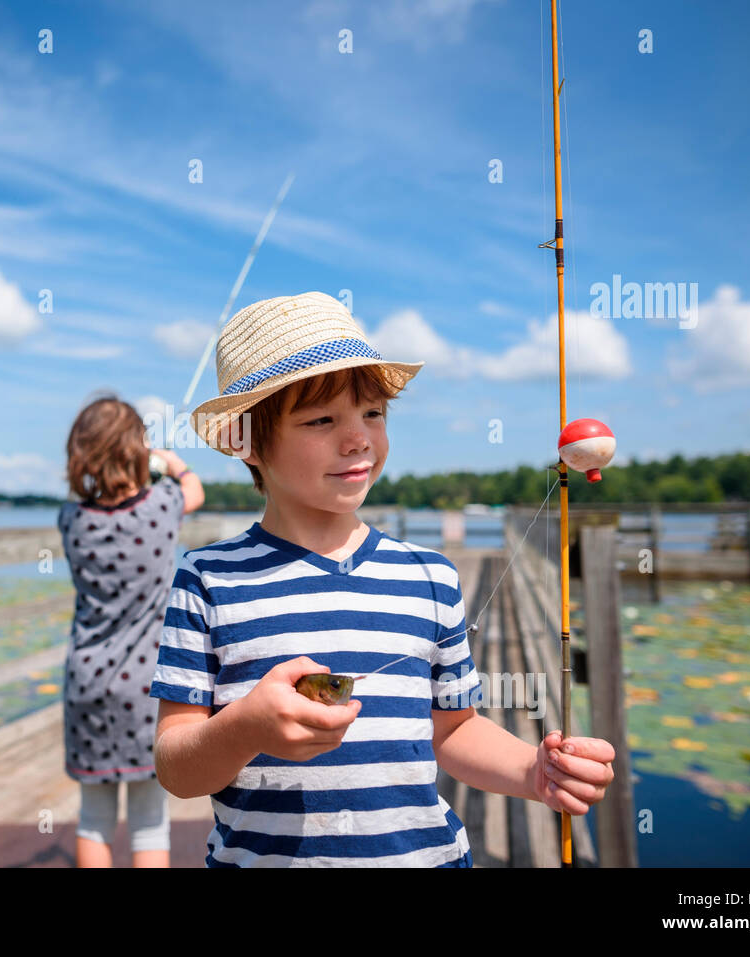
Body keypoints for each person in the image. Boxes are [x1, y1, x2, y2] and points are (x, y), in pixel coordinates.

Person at [149, 291, 616, 867]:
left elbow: (453, 732)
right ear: (249, 443)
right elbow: (175, 768)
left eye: (372, 413)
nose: (359, 439)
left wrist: (533, 771)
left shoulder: (430, 577)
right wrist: (246, 726)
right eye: (321, 419)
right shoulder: (206, 580)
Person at [57, 392, 204, 867]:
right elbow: (194, 492)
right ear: (137, 452)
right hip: (145, 690)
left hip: (87, 685)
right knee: (148, 821)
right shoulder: (161, 507)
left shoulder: (72, 520)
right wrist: (169, 461)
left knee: (92, 817)